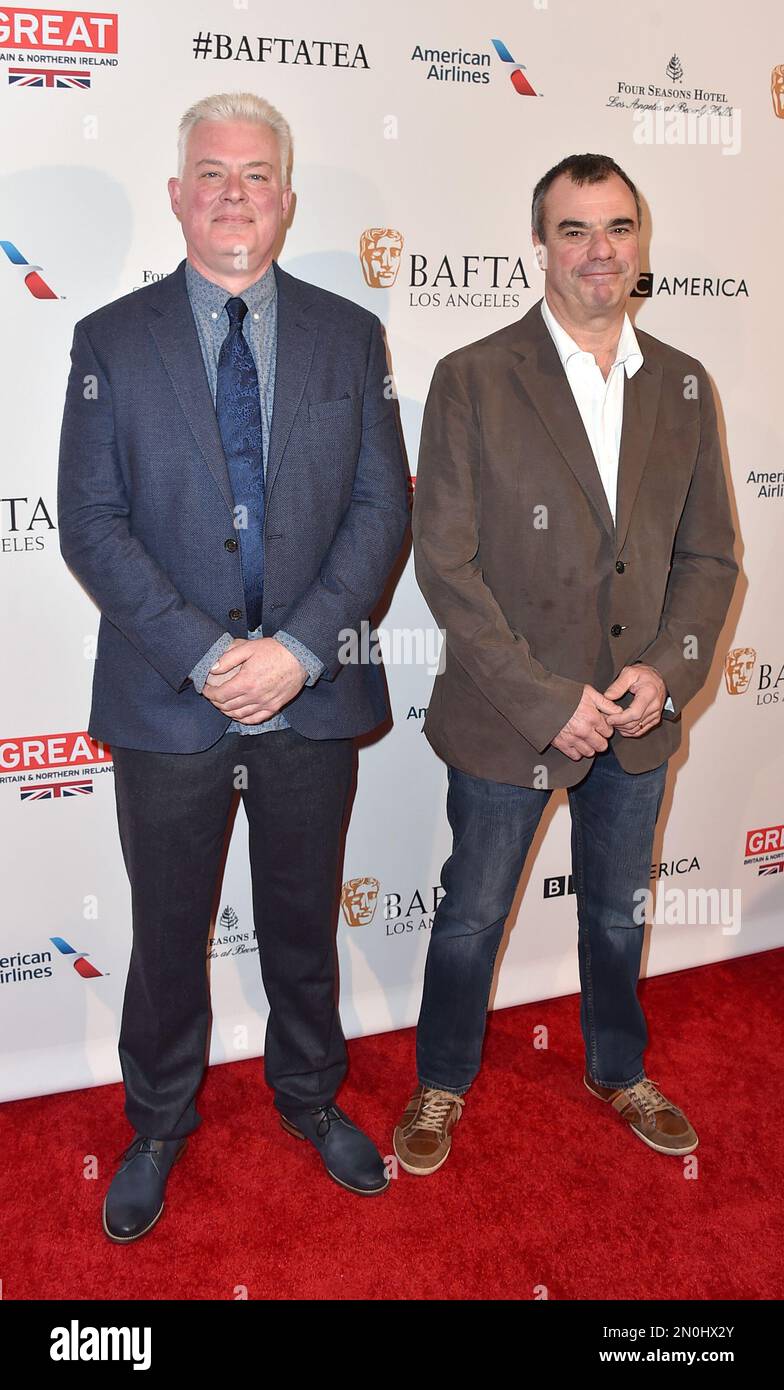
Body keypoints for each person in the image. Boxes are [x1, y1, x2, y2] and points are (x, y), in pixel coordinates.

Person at [57, 91, 409, 1241]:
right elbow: (92, 521)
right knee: (167, 934)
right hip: (172, 698)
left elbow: (375, 512)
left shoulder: (350, 336)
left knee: (302, 921)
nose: (233, 194)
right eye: (211, 173)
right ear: (176, 195)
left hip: (312, 698)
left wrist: (299, 652)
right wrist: (213, 655)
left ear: (287, 198)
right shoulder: (109, 338)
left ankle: (310, 1098)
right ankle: (157, 1121)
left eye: (257, 175)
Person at [394, 153, 738, 1176]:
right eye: (575, 230)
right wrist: (548, 701)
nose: (600, 250)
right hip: (509, 715)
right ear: (538, 244)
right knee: (471, 915)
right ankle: (441, 1080)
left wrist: (667, 672)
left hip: (637, 716)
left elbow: (709, 553)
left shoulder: (680, 381)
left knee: (614, 906)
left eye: (617, 228)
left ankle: (616, 1066)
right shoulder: (471, 377)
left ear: (641, 242)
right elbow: (443, 561)